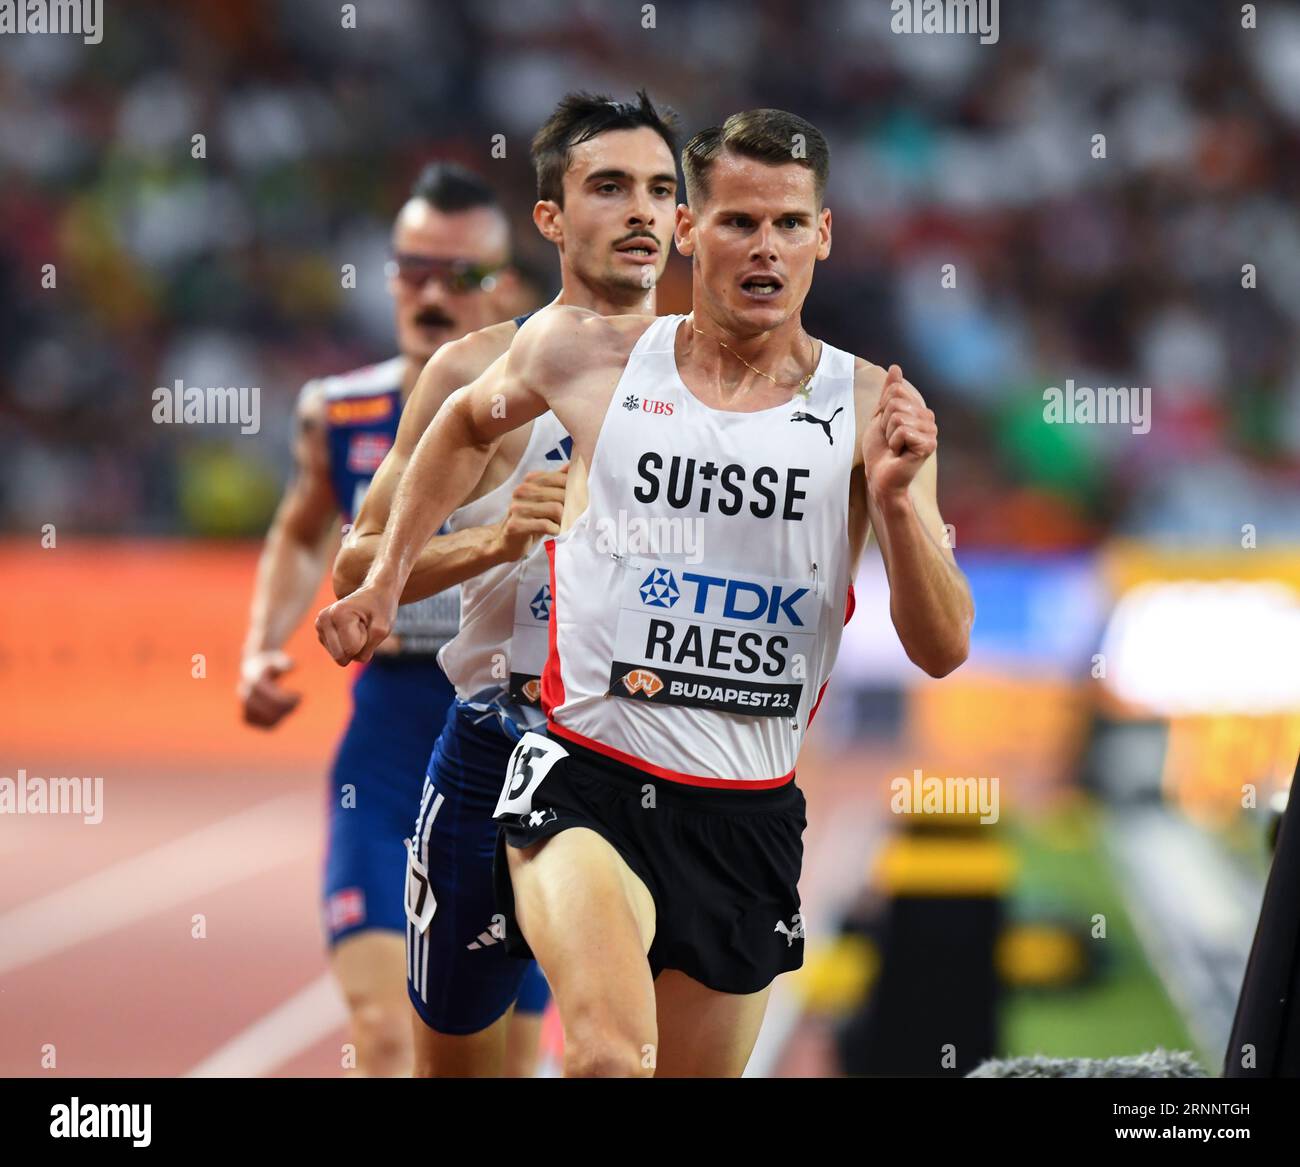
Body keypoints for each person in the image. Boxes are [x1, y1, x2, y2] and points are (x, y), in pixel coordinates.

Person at [317, 108, 974, 1077]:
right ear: (692, 235)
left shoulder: (874, 408)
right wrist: (384, 579)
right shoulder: (583, 357)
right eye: (739, 222)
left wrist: (900, 510)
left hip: (744, 815)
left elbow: (942, 646)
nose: (765, 247)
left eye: (790, 224)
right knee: (603, 1059)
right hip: (575, 775)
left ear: (823, 237)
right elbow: (459, 424)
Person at [325, 90, 680, 1077]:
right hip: (493, 739)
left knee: (612, 1053)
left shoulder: (726, 386)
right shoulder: (473, 372)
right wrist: (493, 542)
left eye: (660, 189)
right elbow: (359, 565)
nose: (640, 210)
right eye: (609, 186)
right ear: (552, 221)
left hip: (645, 762)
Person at [238, 162, 522, 1076]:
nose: (432, 293)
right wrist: (257, 648)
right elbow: (297, 532)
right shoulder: (341, 411)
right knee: (383, 1027)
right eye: (413, 268)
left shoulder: (564, 407)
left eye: (462, 274)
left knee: (500, 1059)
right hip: (390, 743)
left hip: (514, 738)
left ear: (507, 286)